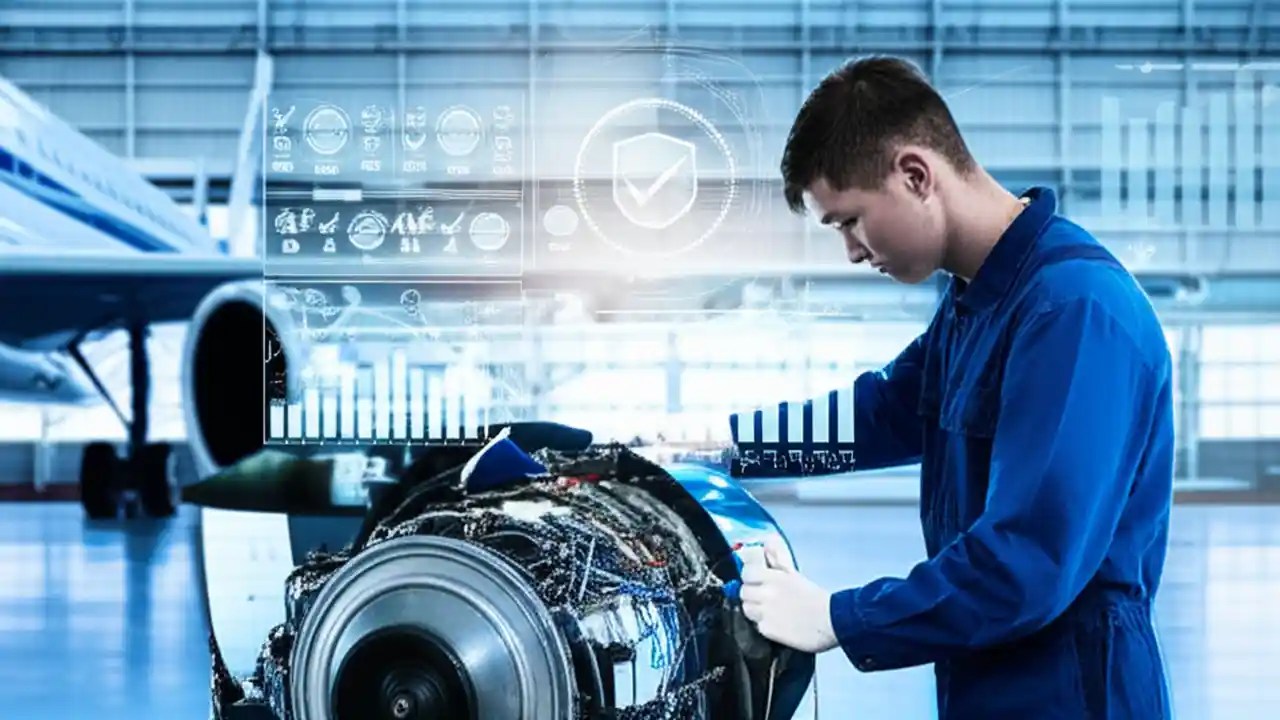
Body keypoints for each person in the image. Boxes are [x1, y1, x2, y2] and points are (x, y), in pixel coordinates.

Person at [734, 55, 1176, 719]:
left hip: (1072, 690)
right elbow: (882, 413)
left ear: (916, 175)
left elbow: (1027, 561)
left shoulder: (1074, 310)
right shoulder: (979, 303)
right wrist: (722, 445)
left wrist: (838, 616)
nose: (851, 251)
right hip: (991, 677)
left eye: (849, 220)